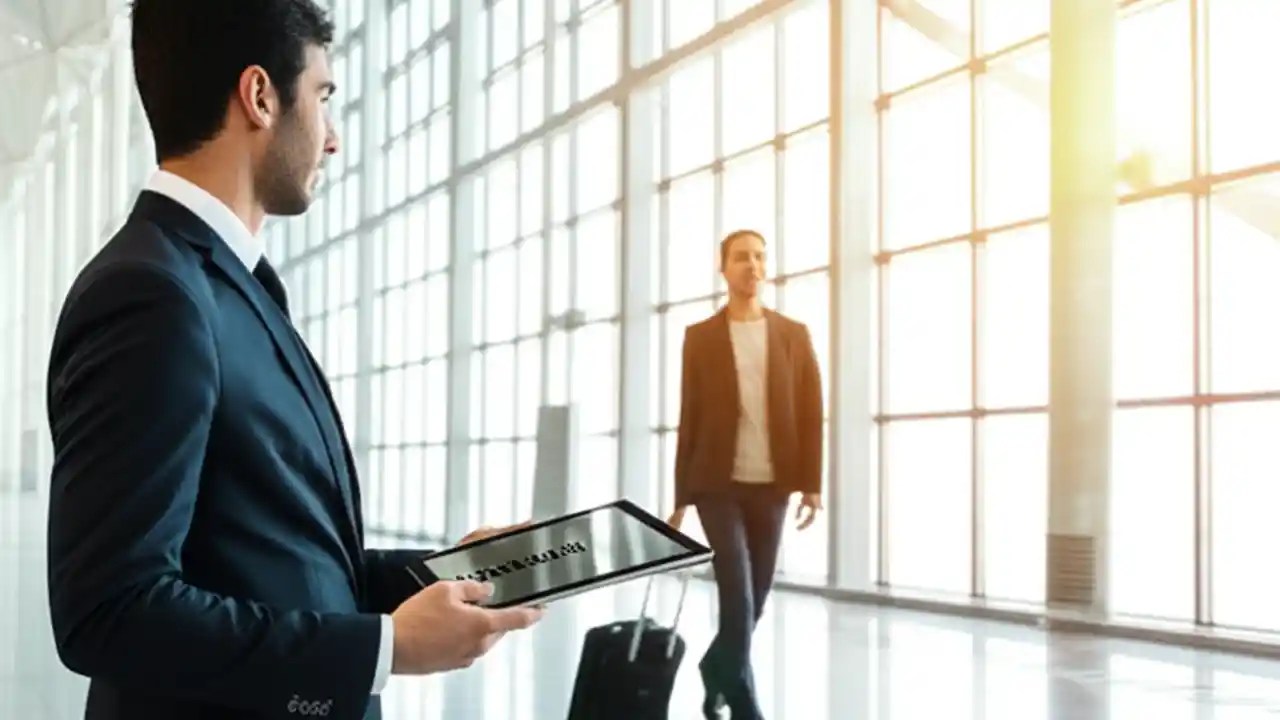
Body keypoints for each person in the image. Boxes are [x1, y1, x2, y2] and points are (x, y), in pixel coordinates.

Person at [44, 2, 541, 719]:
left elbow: (270, 559)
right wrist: (383, 650)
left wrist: (445, 576)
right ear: (260, 96)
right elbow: (111, 609)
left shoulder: (220, 284)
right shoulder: (152, 294)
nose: (333, 138)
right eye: (324, 96)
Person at [666, 229, 824, 720]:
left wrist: (812, 482)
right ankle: (744, 703)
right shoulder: (701, 337)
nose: (751, 265)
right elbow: (689, 416)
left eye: (759, 257)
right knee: (736, 590)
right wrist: (681, 495)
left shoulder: (792, 334)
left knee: (755, 598)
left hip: (772, 485)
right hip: (718, 484)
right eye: (741, 258)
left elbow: (811, 409)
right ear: (723, 268)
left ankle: (716, 668)